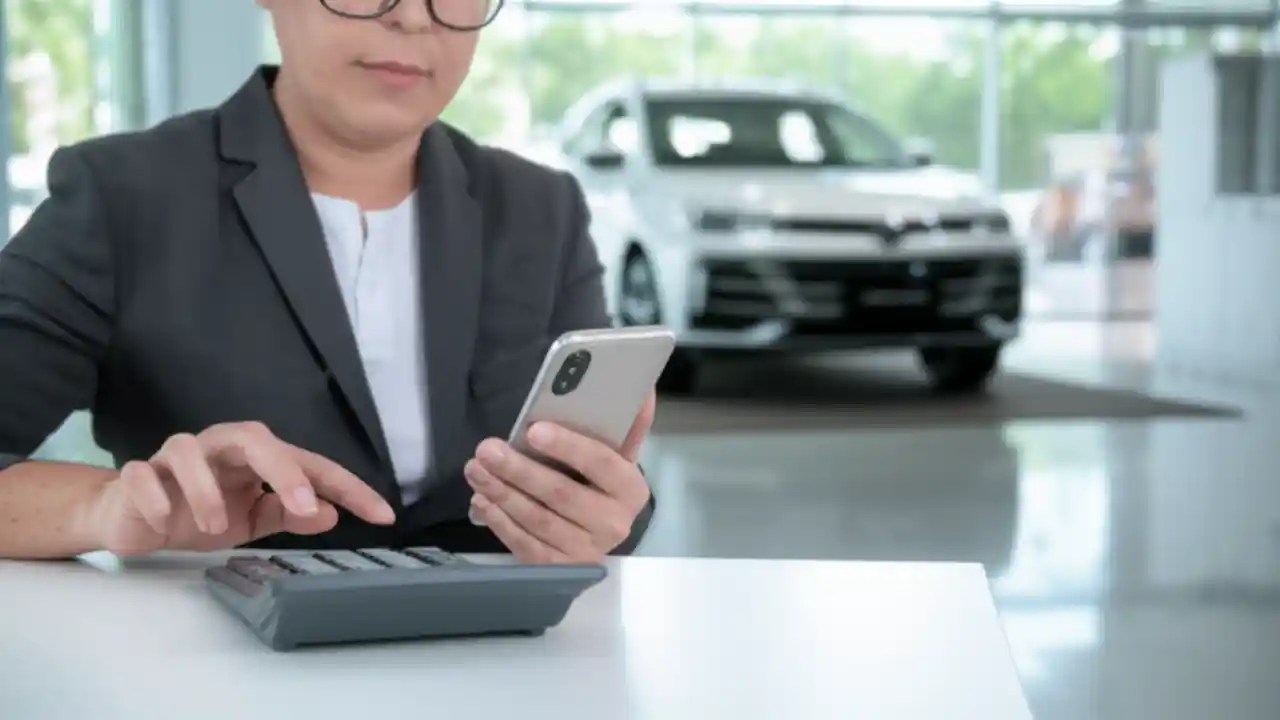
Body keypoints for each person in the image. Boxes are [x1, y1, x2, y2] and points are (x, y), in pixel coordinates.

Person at [0, 0, 656, 562]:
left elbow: (592, 479)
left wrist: (602, 513)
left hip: (499, 669)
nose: (410, 17)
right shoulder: (122, 196)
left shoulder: (542, 210)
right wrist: (103, 510)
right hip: (222, 678)